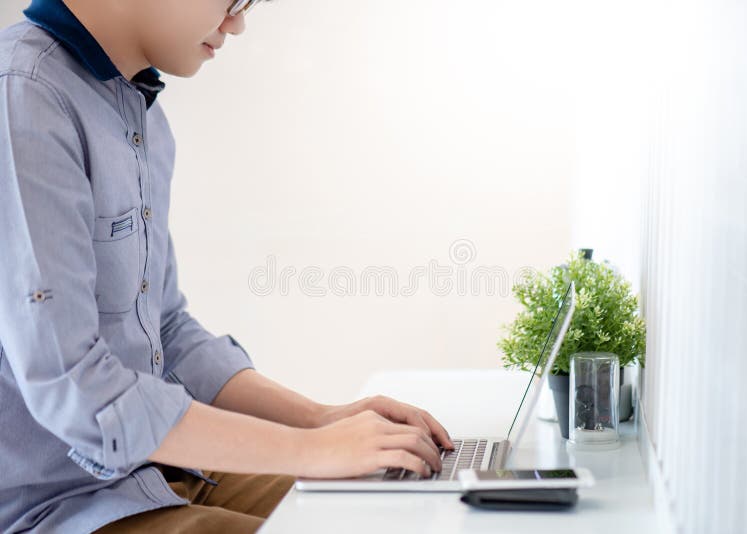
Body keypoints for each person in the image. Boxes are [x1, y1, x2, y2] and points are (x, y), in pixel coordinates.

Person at [0, 1, 453, 532]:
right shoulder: (25, 96)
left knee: (402, 502)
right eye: (233, 1)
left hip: (162, 471)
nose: (237, 22)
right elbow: (74, 387)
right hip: (62, 508)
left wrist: (322, 420)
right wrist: (310, 450)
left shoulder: (142, 115)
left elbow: (167, 333)